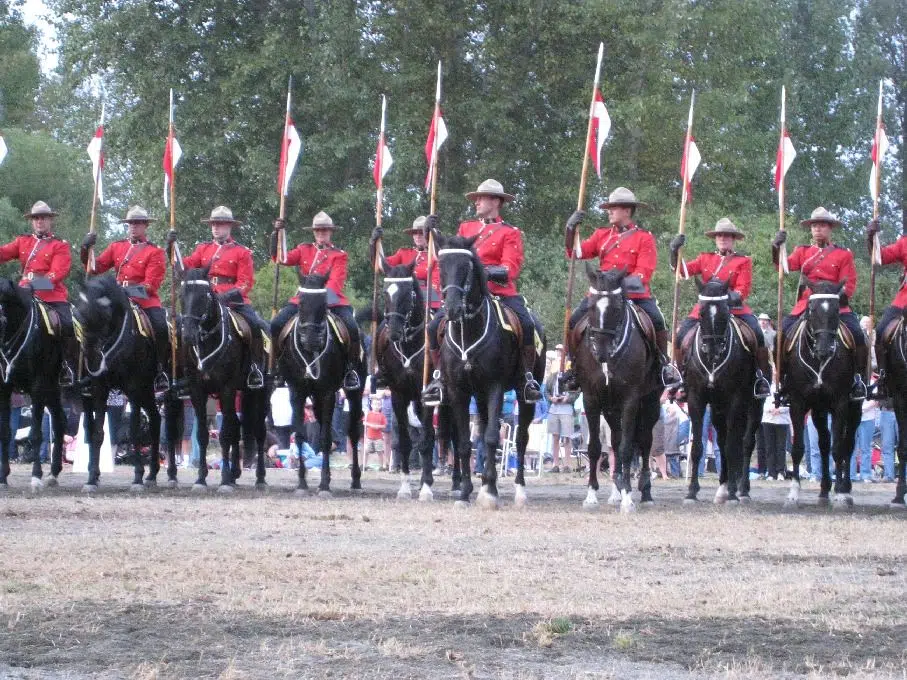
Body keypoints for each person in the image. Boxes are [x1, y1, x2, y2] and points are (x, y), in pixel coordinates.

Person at [422, 179, 542, 404]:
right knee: (432, 326)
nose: (476, 201)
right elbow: (450, 258)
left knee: (528, 324)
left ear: (496, 201)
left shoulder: (510, 232)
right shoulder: (466, 228)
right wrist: (432, 234)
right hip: (466, 296)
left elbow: (510, 268)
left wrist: (480, 273)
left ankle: (526, 378)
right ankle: (439, 377)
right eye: (476, 198)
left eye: (482, 197)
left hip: (500, 293)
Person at [563, 187, 681, 388]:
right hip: (601, 295)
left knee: (657, 321)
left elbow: (644, 272)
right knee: (574, 321)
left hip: (634, 294)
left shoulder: (644, 237)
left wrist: (617, 287)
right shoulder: (602, 235)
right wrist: (570, 230)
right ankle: (572, 367)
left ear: (627, 211)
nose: (609, 211)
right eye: (609, 208)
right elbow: (577, 252)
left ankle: (664, 365)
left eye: (613, 208)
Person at [166, 205, 268, 389]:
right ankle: (184, 371)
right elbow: (183, 268)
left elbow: (246, 283)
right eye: (213, 224)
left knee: (254, 325)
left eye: (219, 224)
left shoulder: (242, 252)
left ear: (229, 227)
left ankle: (255, 368)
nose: (215, 228)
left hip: (233, 301)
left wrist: (225, 296)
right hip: (204, 299)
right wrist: (172, 247)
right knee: (182, 327)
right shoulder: (202, 248)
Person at [772, 206, 867, 401]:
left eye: (822, 226)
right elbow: (784, 267)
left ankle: (859, 379)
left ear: (830, 229)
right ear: (810, 229)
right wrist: (776, 248)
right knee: (780, 336)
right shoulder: (802, 251)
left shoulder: (843, 254)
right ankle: (783, 379)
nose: (818, 229)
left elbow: (848, 283)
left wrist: (836, 296)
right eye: (815, 226)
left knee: (858, 335)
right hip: (807, 305)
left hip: (835, 305)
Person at [670, 217, 771, 398]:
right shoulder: (705, 258)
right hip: (706, 309)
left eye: (727, 236)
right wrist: (674, 251)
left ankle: (761, 377)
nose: (723, 239)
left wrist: (725, 299)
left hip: (733, 309)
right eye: (719, 236)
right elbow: (683, 271)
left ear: (733, 239)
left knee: (757, 333)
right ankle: (681, 377)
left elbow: (742, 290)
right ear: (715, 239)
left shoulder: (743, 261)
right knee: (680, 336)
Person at [81, 206, 169, 391]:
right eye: (130, 223)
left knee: (161, 327)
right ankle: (89, 370)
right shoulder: (117, 246)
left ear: (145, 226)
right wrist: (85, 248)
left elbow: (150, 286)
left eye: (137, 223)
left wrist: (123, 292)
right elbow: (95, 268)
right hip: (116, 301)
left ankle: (161, 370)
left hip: (144, 301)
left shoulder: (155, 251)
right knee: (91, 321)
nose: (133, 227)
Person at [271, 211, 361, 391]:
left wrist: (319, 301)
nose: (321, 234)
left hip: (331, 300)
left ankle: (351, 369)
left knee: (352, 328)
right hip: (303, 299)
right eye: (318, 231)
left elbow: (335, 283)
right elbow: (282, 259)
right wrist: (276, 236)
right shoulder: (304, 249)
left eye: (325, 231)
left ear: (331, 233)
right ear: (314, 232)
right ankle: (277, 368)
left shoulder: (339, 255)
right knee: (276, 325)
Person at [0, 201, 75, 384]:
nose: (39, 221)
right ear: (32, 221)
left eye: (43, 218)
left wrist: (33, 285)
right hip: (23, 295)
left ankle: (64, 365)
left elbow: (57, 274)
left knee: (67, 324)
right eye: (36, 218)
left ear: (50, 220)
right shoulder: (23, 241)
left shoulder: (59, 245)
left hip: (51, 295)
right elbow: (3, 253)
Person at [864, 218, 907, 398]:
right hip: (905, 300)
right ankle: (884, 377)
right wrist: (871, 237)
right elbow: (880, 257)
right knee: (882, 330)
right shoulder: (905, 243)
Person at [544, 349, 577, 473]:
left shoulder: (570, 377)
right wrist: (550, 398)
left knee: (567, 438)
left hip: (566, 409)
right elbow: (546, 390)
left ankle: (567, 464)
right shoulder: (552, 377)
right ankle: (555, 464)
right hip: (554, 409)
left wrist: (567, 398)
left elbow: (576, 391)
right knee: (555, 437)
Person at [362, 396, 387, 472]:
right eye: (375, 404)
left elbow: (384, 425)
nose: (377, 406)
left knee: (380, 451)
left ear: (381, 406)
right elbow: (364, 422)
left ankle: (381, 466)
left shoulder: (382, 415)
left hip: (378, 438)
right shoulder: (368, 414)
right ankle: (365, 465)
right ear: (372, 405)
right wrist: (370, 425)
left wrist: (378, 426)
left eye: (379, 404)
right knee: (366, 451)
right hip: (369, 437)